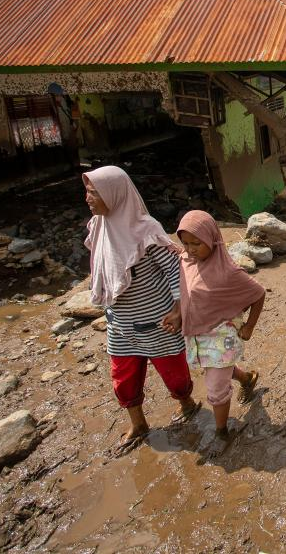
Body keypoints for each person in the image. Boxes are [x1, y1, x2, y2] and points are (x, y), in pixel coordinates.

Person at [83, 166, 199, 455]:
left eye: (94, 192)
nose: (87, 198)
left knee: (175, 374)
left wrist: (178, 309)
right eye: (87, 191)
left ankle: (187, 404)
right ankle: (138, 424)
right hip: (120, 322)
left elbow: (175, 270)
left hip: (158, 322)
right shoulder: (99, 226)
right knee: (123, 378)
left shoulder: (146, 230)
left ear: (115, 194)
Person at [173, 211, 266, 452]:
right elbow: (186, 295)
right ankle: (247, 378)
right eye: (186, 243)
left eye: (196, 243)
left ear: (213, 240)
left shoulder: (229, 272)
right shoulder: (186, 262)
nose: (190, 249)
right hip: (197, 333)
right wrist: (178, 316)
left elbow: (258, 293)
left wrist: (249, 327)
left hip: (221, 336)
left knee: (215, 388)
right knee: (217, 369)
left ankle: (222, 431)